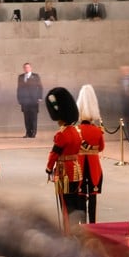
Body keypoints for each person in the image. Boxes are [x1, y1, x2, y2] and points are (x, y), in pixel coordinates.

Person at [46, 86, 86, 230]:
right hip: (75, 170)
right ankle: (78, 229)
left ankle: (69, 232)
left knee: (66, 205)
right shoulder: (76, 131)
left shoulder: (61, 134)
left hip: (64, 173)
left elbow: (54, 154)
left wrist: (48, 168)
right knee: (75, 203)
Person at [76, 84, 105, 224]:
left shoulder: (76, 130)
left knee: (81, 196)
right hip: (94, 167)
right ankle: (93, 223)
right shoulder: (98, 130)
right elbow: (101, 148)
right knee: (93, 198)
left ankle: (82, 224)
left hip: (80, 168)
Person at [16, 62, 42, 139]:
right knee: (26, 117)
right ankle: (28, 133)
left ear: (30, 68)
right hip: (24, 101)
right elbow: (19, 88)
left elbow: (40, 87)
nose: (26, 69)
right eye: (25, 67)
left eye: (28, 67)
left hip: (34, 100)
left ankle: (33, 133)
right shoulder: (20, 77)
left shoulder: (36, 76)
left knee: (33, 117)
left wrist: (40, 97)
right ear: (24, 69)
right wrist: (19, 99)